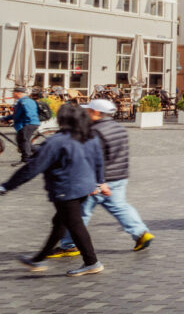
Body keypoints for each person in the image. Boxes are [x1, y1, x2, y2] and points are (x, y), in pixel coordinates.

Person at [0, 103, 106, 276]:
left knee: (75, 226)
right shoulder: (90, 136)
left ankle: (92, 262)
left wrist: (7, 186)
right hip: (84, 188)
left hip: (66, 190)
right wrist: (98, 182)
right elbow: (99, 161)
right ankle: (38, 259)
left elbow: (31, 168)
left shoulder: (57, 141)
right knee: (60, 223)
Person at [51, 100, 154, 257]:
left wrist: (93, 181)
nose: (86, 113)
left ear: (97, 113)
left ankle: (69, 244)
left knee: (79, 213)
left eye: (89, 111)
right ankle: (141, 233)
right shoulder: (119, 128)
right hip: (119, 176)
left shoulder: (96, 132)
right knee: (120, 207)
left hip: (100, 180)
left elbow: (94, 159)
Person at [1, 87, 40, 164]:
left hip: (29, 123)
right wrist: (4, 118)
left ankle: (27, 158)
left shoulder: (25, 102)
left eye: (14, 92)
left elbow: (29, 114)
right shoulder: (21, 101)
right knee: (21, 140)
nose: (12, 94)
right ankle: (35, 152)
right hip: (28, 123)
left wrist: (19, 121)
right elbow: (16, 114)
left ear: (18, 93)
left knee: (24, 140)